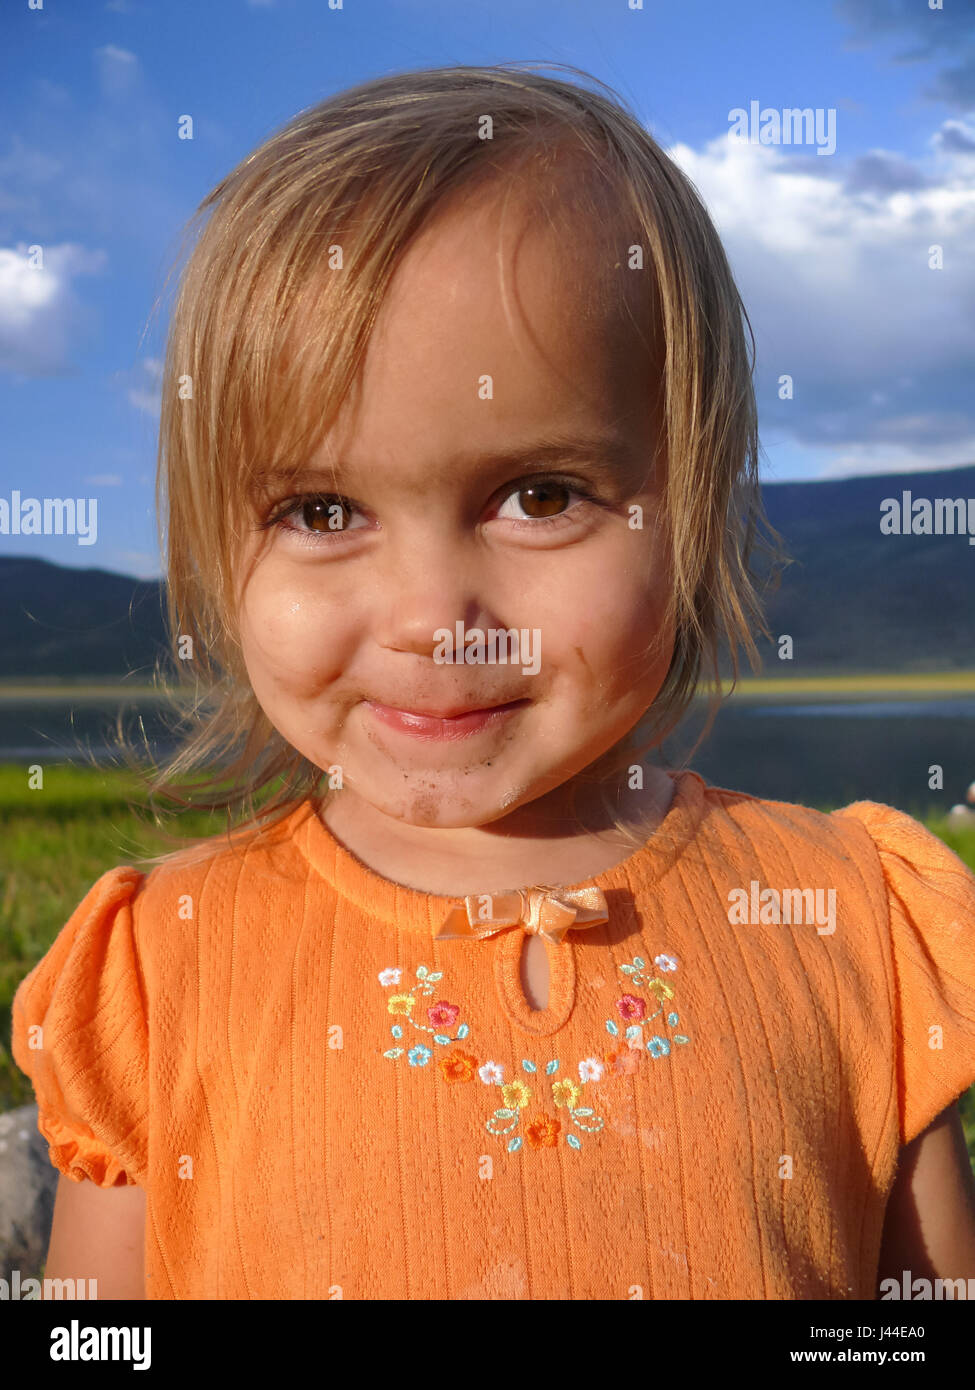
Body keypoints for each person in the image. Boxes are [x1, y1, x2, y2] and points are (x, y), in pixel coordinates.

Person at [11, 63, 975, 1301]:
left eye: (540, 495)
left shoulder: (849, 926)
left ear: (694, 508)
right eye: (321, 509)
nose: (432, 619)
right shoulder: (159, 970)